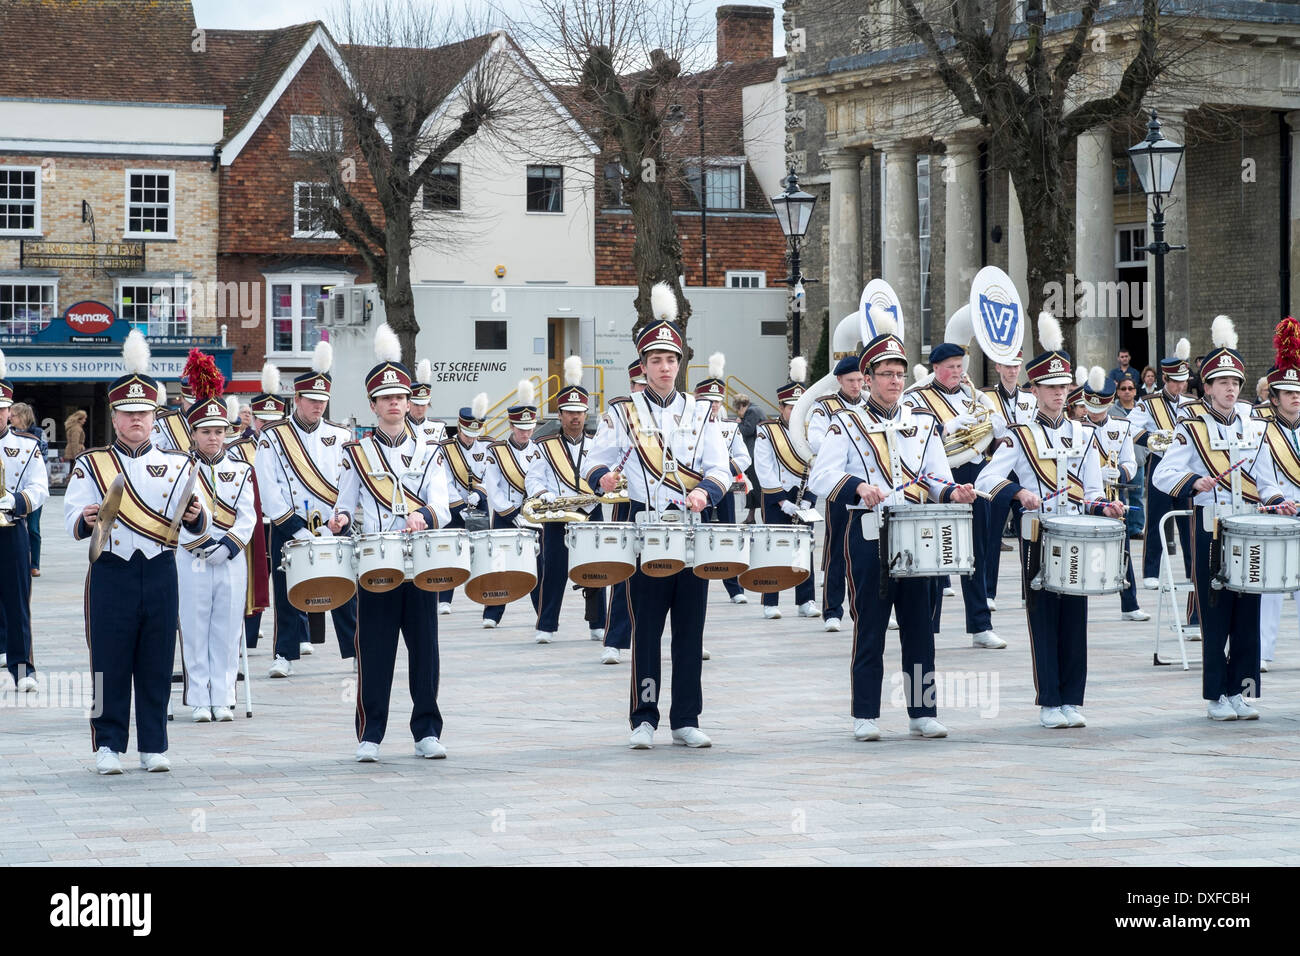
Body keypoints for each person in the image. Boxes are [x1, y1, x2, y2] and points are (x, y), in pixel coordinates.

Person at [808, 318, 972, 741]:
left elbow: (936, 476)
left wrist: (954, 492)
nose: (895, 381)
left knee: (920, 625)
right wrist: (859, 486)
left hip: (916, 535)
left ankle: (922, 710)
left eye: (900, 374)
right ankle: (866, 713)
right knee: (871, 625)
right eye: (886, 374)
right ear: (867, 378)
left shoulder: (921, 421)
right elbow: (821, 476)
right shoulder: (845, 422)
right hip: (868, 535)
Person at [585, 283, 730, 749]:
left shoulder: (702, 411)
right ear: (643, 367)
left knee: (690, 630)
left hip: (691, 530)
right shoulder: (623, 412)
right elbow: (594, 460)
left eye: (671, 360)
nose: (665, 368)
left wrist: (705, 493)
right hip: (644, 530)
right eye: (656, 361)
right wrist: (603, 478)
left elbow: (720, 468)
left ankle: (686, 718)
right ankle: (643, 717)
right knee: (645, 630)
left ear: (680, 363)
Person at [63, 331, 208, 774]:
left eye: (143, 413)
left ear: (154, 415)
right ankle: (108, 743)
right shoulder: (92, 462)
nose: (135, 421)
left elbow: (200, 525)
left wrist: (195, 515)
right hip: (111, 569)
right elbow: (70, 516)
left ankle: (154, 745)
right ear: (115, 415)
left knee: (157, 657)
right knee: (108, 660)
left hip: (161, 568)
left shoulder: (181, 462)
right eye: (127, 414)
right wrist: (85, 518)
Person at [976, 315, 1126, 729]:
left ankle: (1073, 697)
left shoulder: (1083, 435)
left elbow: (1092, 492)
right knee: (1043, 615)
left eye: (1064, 388)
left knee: (1075, 615)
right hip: (1038, 533)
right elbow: (988, 478)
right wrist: (1018, 493)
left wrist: (1105, 507)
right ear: (1035, 390)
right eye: (1051, 388)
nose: (1059, 395)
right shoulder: (1019, 435)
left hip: (1075, 533)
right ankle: (1049, 700)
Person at [329, 324, 452, 762]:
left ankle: (427, 731)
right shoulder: (355, 453)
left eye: (400, 396)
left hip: (420, 564)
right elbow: (345, 505)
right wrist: (340, 518)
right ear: (373, 405)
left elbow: (445, 506)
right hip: (377, 562)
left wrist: (425, 515)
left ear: (408, 400)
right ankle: (370, 734)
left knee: (425, 652)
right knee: (375, 652)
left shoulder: (433, 448)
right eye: (386, 398)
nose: (394, 403)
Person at [1153, 315, 1264, 721]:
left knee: (1247, 611)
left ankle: (1243, 691)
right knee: (1215, 610)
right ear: (1208, 387)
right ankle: (1216, 695)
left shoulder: (1254, 421)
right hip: (1211, 526)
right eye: (1222, 383)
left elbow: (1266, 475)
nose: (1230, 389)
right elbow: (1164, 473)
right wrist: (1195, 481)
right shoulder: (1191, 424)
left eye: (1235, 382)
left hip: (1249, 524)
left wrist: (1273, 498)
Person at [254, 340, 357, 676]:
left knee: (343, 589)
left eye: (323, 400)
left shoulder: (341, 434)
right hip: (289, 525)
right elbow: (268, 488)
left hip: (333, 525)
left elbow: (348, 482)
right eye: (311, 400)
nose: (318, 406)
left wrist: (339, 518)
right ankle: (284, 654)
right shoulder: (273, 436)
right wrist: (295, 527)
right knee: (286, 591)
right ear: (296, 400)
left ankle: (356, 651)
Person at [904, 326, 1003, 649]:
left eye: (961, 367)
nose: (958, 373)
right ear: (936, 368)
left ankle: (980, 626)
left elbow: (990, 435)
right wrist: (946, 427)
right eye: (951, 368)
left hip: (975, 474)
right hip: (939, 482)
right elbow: (910, 437)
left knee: (977, 553)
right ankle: (928, 626)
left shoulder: (972, 396)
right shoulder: (917, 397)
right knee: (935, 553)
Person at [178, 385, 257, 722]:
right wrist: (199, 543)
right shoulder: (179, 468)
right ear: (193, 434)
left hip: (231, 556)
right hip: (190, 555)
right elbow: (171, 513)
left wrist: (227, 545)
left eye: (219, 431)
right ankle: (198, 697)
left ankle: (223, 696)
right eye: (206, 432)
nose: (214, 438)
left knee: (227, 626)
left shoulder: (241, 469)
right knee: (194, 625)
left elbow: (249, 514)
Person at [525, 357, 606, 644]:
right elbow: (533, 478)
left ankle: (598, 622)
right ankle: (546, 624)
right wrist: (543, 494)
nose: (575, 417)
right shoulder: (545, 445)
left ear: (586, 414)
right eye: (569, 412)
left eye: (580, 412)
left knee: (596, 569)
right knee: (554, 571)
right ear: (559, 414)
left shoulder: (598, 444)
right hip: (558, 515)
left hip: (590, 511)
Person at [1081, 368, 1148, 621]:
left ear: (1109, 404)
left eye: (1100, 408)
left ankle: (1129, 605)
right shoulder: (1076, 428)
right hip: (1086, 498)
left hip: (1113, 496)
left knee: (1124, 552)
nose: (1095, 413)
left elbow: (1132, 463)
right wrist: (1095, 473)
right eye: (1091, 407)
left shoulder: (1122, 427)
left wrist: (1117, 472)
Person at [806, 354, 867, 631]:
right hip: (840, 484)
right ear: (840, 380)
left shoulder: (870, 403)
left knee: (871, 549)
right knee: (836, 548)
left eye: (859, 380)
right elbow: (816, 439)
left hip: (870, 484)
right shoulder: (825, 406)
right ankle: (832, 610)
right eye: (851, 380)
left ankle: (867, 606)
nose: (856, 385)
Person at [754, 358, 818, 620]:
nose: (796, 412)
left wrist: (809, 499)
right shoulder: (767, 432)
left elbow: (819, 465)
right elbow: (764, 467)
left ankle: (806, 600)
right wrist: (782, 500)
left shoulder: (812, 431)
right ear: (780, 407)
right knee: (774, 547)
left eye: (800, 407)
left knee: (804, 548)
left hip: (803, 497)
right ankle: (771, 600)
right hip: (776, 496)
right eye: (791, 407)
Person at [1253, 317, 1300, 673]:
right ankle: (1263, 653)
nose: (1296, 398)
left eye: (1299, 393)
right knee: (1270, 587)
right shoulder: (1262, 430)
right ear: (1275, 396)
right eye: (1289, 393)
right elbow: (1263, 476)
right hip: (1278, 513)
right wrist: (1274, 501)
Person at [1128, 338, 1194, 590]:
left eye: (1183, 381)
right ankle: (1151, 571)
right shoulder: (1149, 402)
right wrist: (1152, 439)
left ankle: (1192, 569)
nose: (1179, 386)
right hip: (1159, 462)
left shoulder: (1191, 404)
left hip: (1186, 467)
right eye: (1175, 381)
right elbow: (1130, 428)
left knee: (1188, 520)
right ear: (1165, 379)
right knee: (1156, 517)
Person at [0, 358, 49, 692]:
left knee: (17, 599)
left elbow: (40, 487)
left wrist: (16, 501)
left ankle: (22, 668)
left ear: (8, 411)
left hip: (10, 527)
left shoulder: (26, 446)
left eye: (1, 409)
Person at [231, 362, 284, 651]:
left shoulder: (289, 445)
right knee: (254, 579)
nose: (268, 426)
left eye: (273, 420)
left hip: (282, 519)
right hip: (253, 522)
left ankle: (297, 637)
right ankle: (248, 637)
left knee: (288, 579)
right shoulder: (238, 448)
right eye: (263, 421)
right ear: (254, 422)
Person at [480, 380, 542, 629]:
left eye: (529, 428)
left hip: (533, 516)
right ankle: (492, 613)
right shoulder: (496, 451)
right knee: (500, 566)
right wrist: (512, 513)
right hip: (507, 516)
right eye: (520, 428)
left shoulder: (540, 450)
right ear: (511, 425)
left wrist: (532, 511)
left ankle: (543, 614)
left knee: (539, 566)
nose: (525, 433)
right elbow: (492, 488)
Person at [599, 362, 647, 663]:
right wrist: (606, 474)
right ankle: (615, 640)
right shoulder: (618, 416)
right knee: (624, 569)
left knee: (675, 569)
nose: (643, 389)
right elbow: (603, 454)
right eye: (639, 385)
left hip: (665, 502)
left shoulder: (675, 411)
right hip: (627, 501)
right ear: (631, 386)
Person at [980, 350, 1036, 608]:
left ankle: (1030, 590)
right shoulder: (985, 397)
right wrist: (994, 441)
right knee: (992, 535)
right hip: (997, 469)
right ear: (998, 366)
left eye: (1016, 366)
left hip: (1024, 469)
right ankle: (988, 592)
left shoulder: (1030, 398)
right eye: (1008, 366)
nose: (1013, 371)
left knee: (1030, 532)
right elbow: (978, 433)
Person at [696, 354, 752, 611]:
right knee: (701, 535)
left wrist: (724, 471)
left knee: (728, 534)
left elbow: (744, 457)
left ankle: (734, 587)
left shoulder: (730, 427)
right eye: (709, 401)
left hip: (725, 488)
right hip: (699, 489)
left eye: (718, 401)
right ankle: (700, 582)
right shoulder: (690, 426)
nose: (714, 406)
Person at [437, 393, 489, 614]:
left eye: (475, 434)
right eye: (467, 434)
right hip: (454, 507)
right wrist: (459, 505)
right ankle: (444, 599)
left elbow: (490, 475)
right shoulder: (445, 448)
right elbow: (443, 479)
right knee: (449, 551)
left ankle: (485, 595)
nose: (471, 438)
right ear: (459, 428)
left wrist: (479, 493)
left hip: (479, 504)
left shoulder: (486, 446)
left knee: (482, 552)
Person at [7, 402, 45, 577]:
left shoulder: (38, 434)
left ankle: (34, 563)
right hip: (10, 494)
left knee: (33, 528)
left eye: (12, 414)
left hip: (30, 489)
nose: (9, 417)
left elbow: (42, 457)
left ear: (21, 416)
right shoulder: (7, 434)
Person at [1111, 379, 1146, 538]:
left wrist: (1145, 452)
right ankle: (1120, 525)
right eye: (1123, 388)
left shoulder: (1142, 410)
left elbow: (1150, 432)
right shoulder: (1112, 410)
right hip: (1116, 462)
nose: (1127, 391)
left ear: (1135, 391)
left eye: (1130, 388)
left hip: (1137, 460)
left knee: (1137, 497)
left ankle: (1136, 529)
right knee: (1118, 496)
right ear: (1118, 392)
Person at [734, 393, 763, 523]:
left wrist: (737, 424)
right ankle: (751, 517)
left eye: (737, 409)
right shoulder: (753, 410)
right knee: (751, 487)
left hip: (755, 455)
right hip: (754, 454)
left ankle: (763, 514)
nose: (738, 413)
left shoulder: (752, 411)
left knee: (757, 487)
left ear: (741, 405)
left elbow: (747, 430)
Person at [408, 359, 448, 443]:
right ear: (408, 404)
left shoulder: (438, 427)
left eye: (423, 405)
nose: (420, 409)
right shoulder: (398, 426)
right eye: (416, 405)